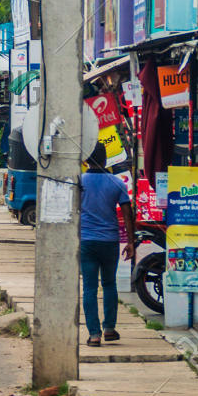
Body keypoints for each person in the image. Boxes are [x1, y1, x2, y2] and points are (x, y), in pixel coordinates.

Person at [80, 141, 135, 347]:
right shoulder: (117, 183)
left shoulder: (79, 181)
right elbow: (127, 214)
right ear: (105, 160)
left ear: (86, 160)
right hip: (110, 241)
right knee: (109, 284)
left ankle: (94, 334)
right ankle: (109, 329)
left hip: (86, 241)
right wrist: (130, 242)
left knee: (89, 288)